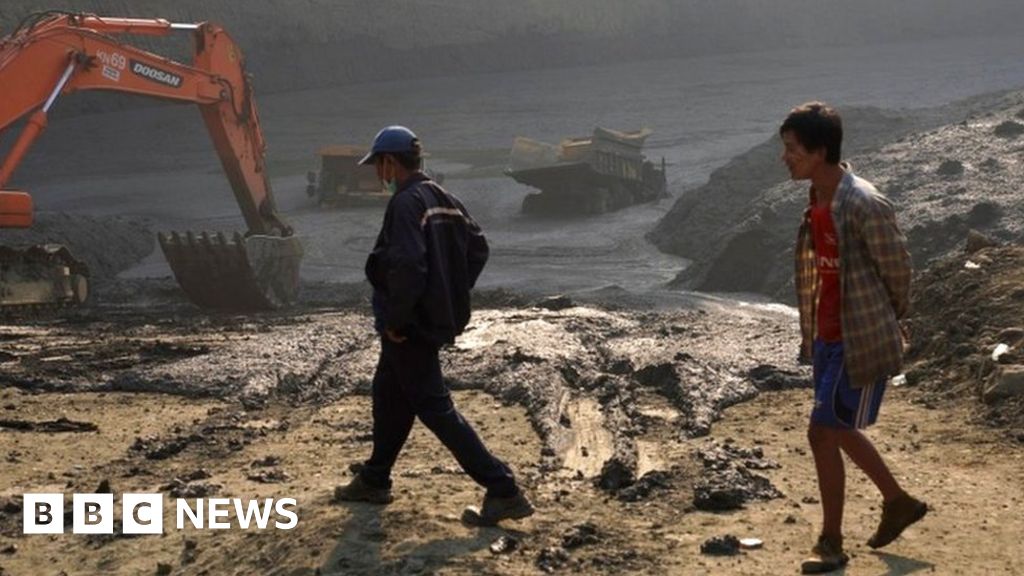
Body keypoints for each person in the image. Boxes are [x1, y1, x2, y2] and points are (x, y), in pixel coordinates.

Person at [333, 125, 534, 526]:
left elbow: (408, 264)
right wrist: (449, 292)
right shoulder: (444, 198)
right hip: (427, 319)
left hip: (409, 326)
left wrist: (398, 318)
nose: (378, 174)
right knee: (389, 394)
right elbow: (478, 248)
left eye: (378, 165)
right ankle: (374, 478)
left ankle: (503, 489)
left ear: (390, 162)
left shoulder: (405, 203)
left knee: (434, 407)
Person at [781, 103, 927, 574]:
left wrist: (889, 320)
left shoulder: (864, 202)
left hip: (855, 335)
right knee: (832, 429)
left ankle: (832, 542)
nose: (785, 158)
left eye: (793, 149)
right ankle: (895, 502)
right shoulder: (817, 201)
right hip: (825, 336)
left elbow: (898, 270)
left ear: (820, 151)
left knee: (824, 429)